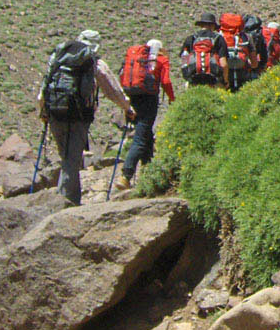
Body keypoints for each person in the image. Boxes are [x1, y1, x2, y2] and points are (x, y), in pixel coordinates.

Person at [37, 30, 133, 205]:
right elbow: (113, 90)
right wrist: (127, 107)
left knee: (67, 158)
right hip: (78, 116)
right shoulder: (94, 62)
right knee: (71, 160)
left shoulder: (58, 56)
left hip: (55, 112)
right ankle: (65, 204)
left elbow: (44, 86)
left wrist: (43, 110)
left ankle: (67, 200)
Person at [116, 38, 176, 191]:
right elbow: (166, 81)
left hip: (133, 98)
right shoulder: (161, 60)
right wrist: (172, 98)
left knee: (146, 134)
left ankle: (148, 173)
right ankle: (126, 175)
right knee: (141, 139)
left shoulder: (136, 61)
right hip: (149, 100)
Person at [180, 12, 229, 87]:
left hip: (194, 76)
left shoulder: (191, 38)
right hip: (213, 77)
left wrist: (187, 76)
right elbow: (224, 63)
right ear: (212, 25)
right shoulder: (218, 38)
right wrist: (225, 81)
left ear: (201, 25)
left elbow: (184, 59)